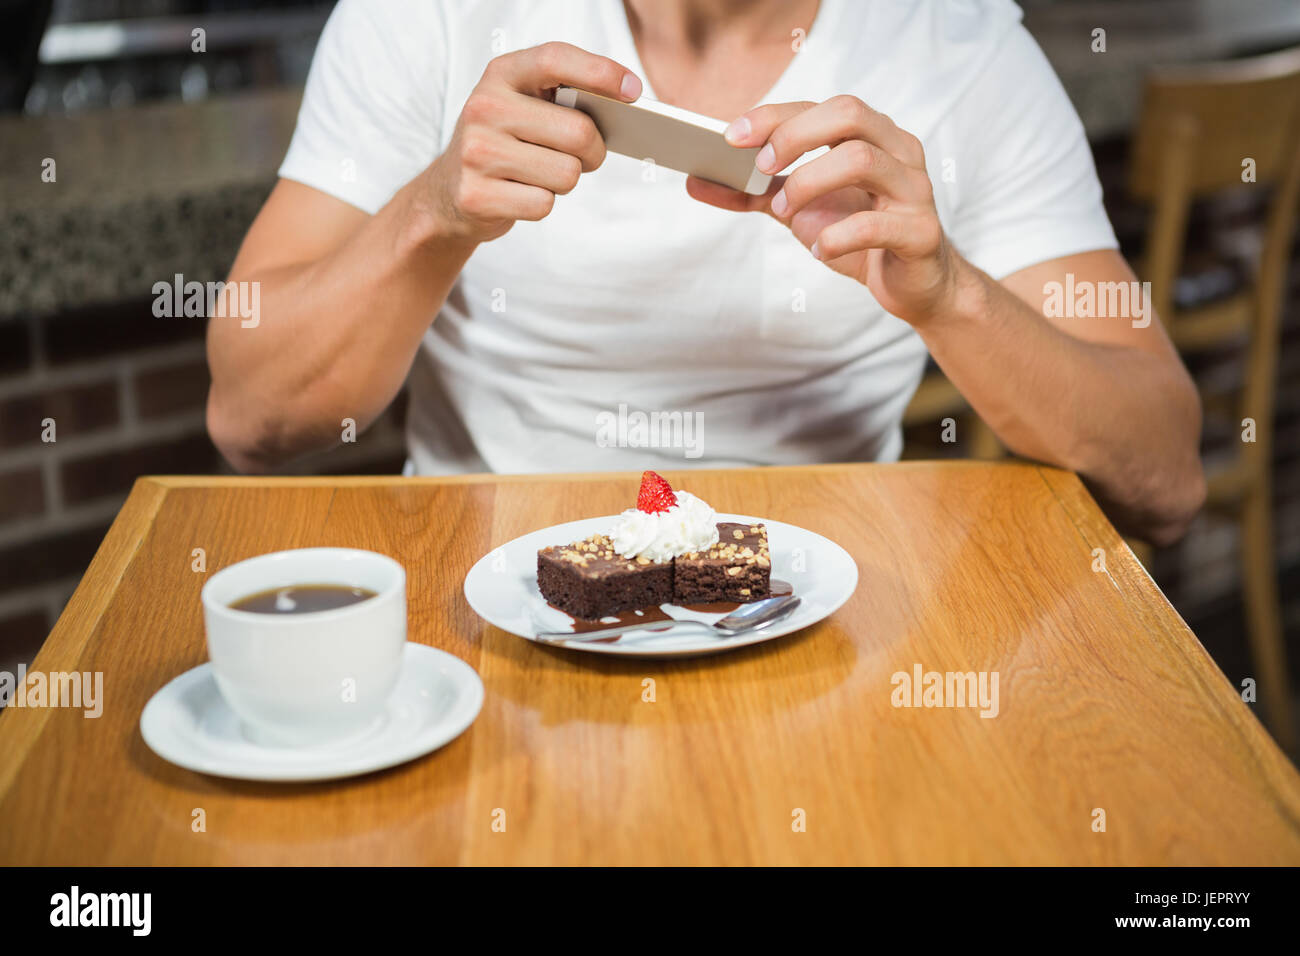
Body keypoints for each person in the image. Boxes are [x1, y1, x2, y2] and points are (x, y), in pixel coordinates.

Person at [206, 0, 1205, 545]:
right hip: (482, 598)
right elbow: (254, 419)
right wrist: (432, 211)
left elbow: (1162, 477)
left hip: (817, 617)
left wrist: (950, 294)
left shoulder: (965, 52)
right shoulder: (423, 18)